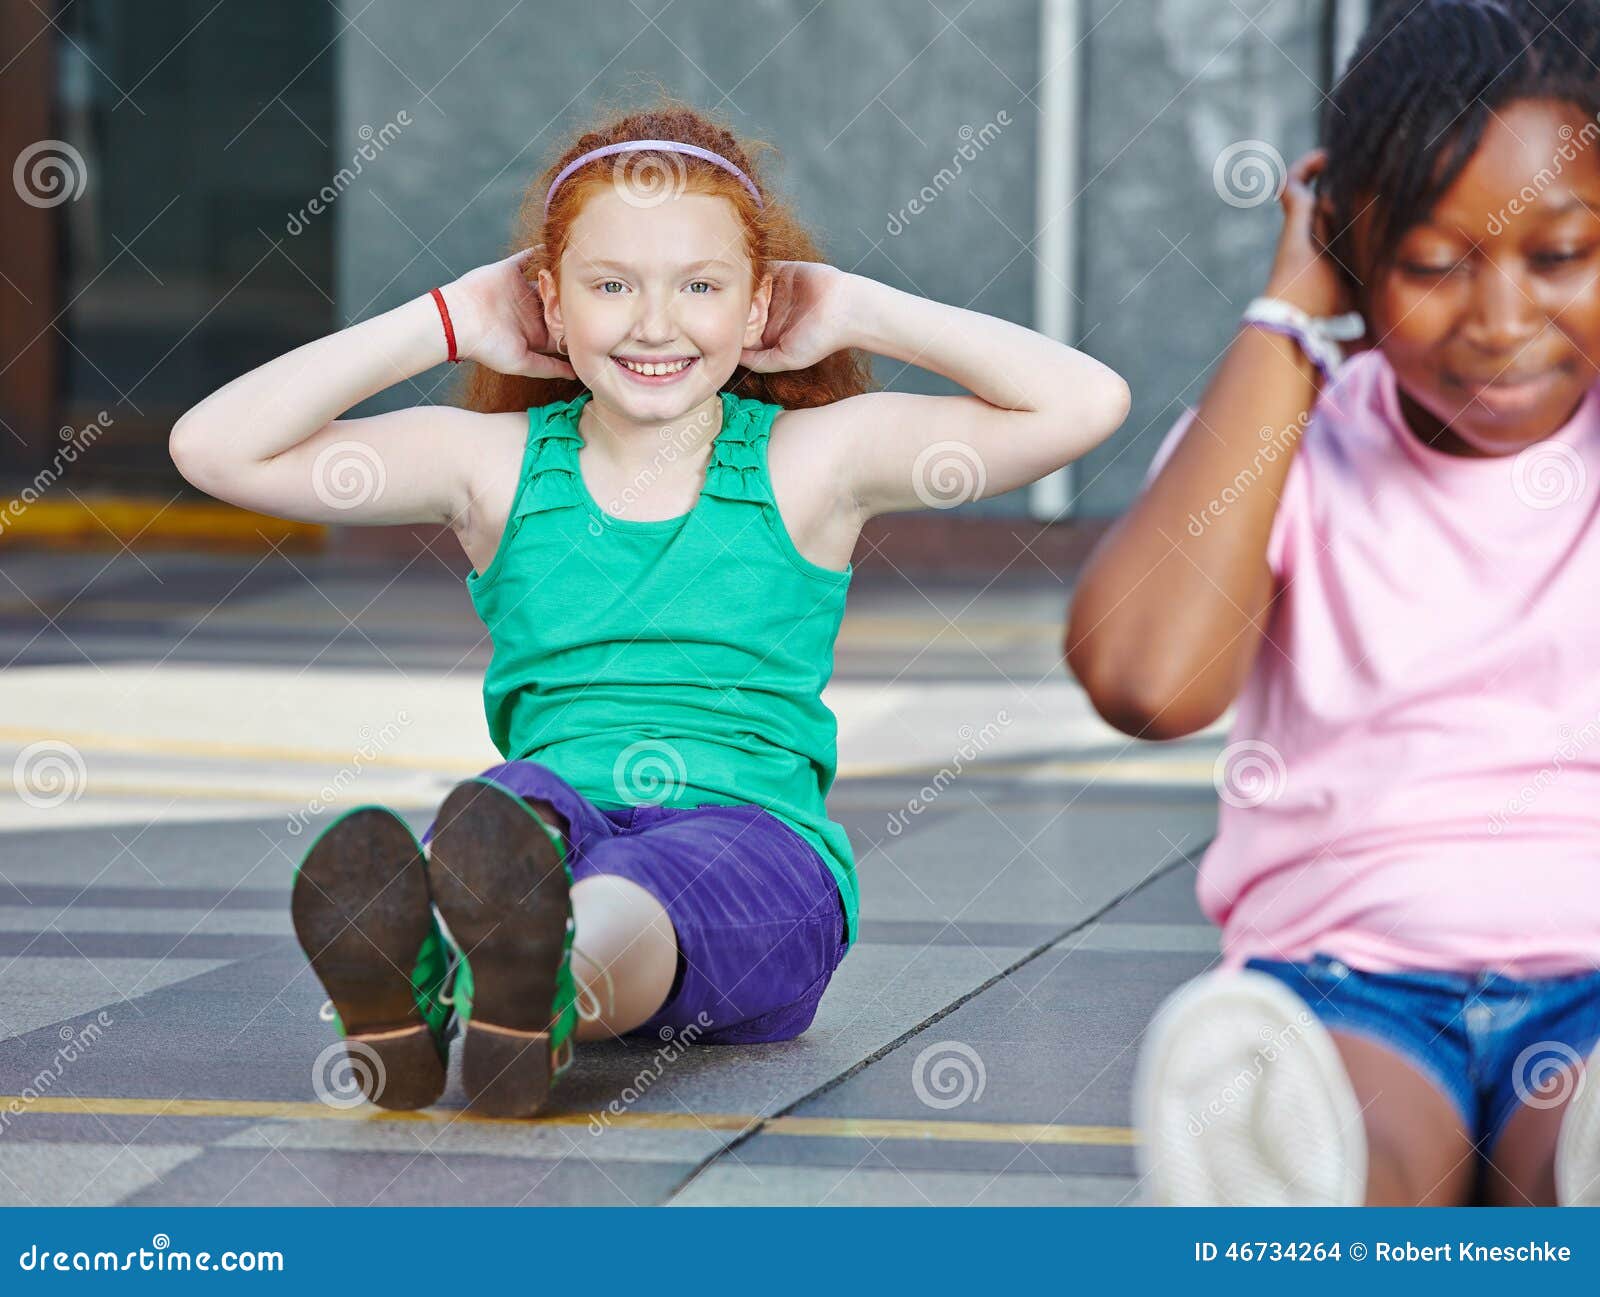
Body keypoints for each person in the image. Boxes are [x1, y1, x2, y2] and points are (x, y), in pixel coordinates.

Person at [171, 100, 1130, 1118]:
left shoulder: (811, 461)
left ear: (761, 307)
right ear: (549, 297)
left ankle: (492, 975)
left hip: (756, 852)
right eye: (610, 284)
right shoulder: (493, 465)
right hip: (550, 814)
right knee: (525, 811)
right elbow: (213, 448)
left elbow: (1083, 402)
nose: (654, 323)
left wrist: (853, 306)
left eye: (701, 286)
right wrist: (449, 318)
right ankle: (474, 975)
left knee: (633, 889)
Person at [1068, 0, 1600, 1206]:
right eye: (1429, 263)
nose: (1502, 320)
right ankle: (1286, 1170)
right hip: (1346, 982)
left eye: (1559, 255)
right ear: (1351, 247)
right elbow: (1146, 681)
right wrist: (1286, 316)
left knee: (1563, 1151)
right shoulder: (1287, 446)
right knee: (1362, 1152)